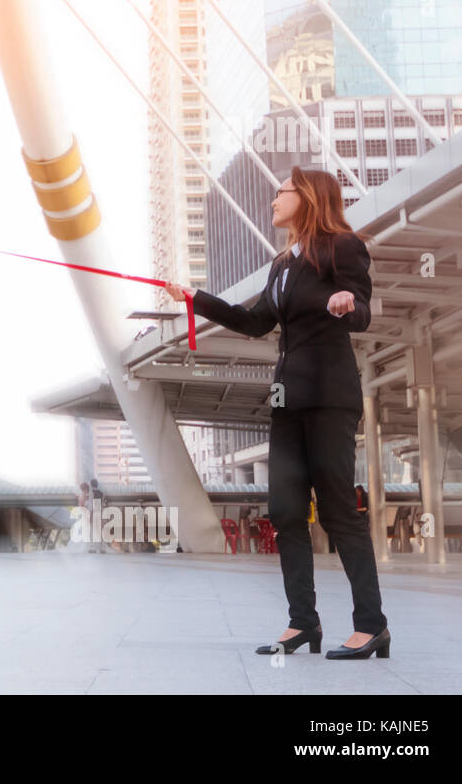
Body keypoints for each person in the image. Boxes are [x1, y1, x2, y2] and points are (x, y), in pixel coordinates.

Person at [165, 166, 389, 660]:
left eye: (280, 193)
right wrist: (195, 298)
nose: (272, 200)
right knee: (286, 513)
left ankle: (371, 625)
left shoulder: (342, 247)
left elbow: (364, 309)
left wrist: (347, 303)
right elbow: (252, 322)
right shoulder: (282, 265)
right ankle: (302, 624)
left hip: (330, 397)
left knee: (337, 512)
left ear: (306, 197)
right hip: (287, 402)